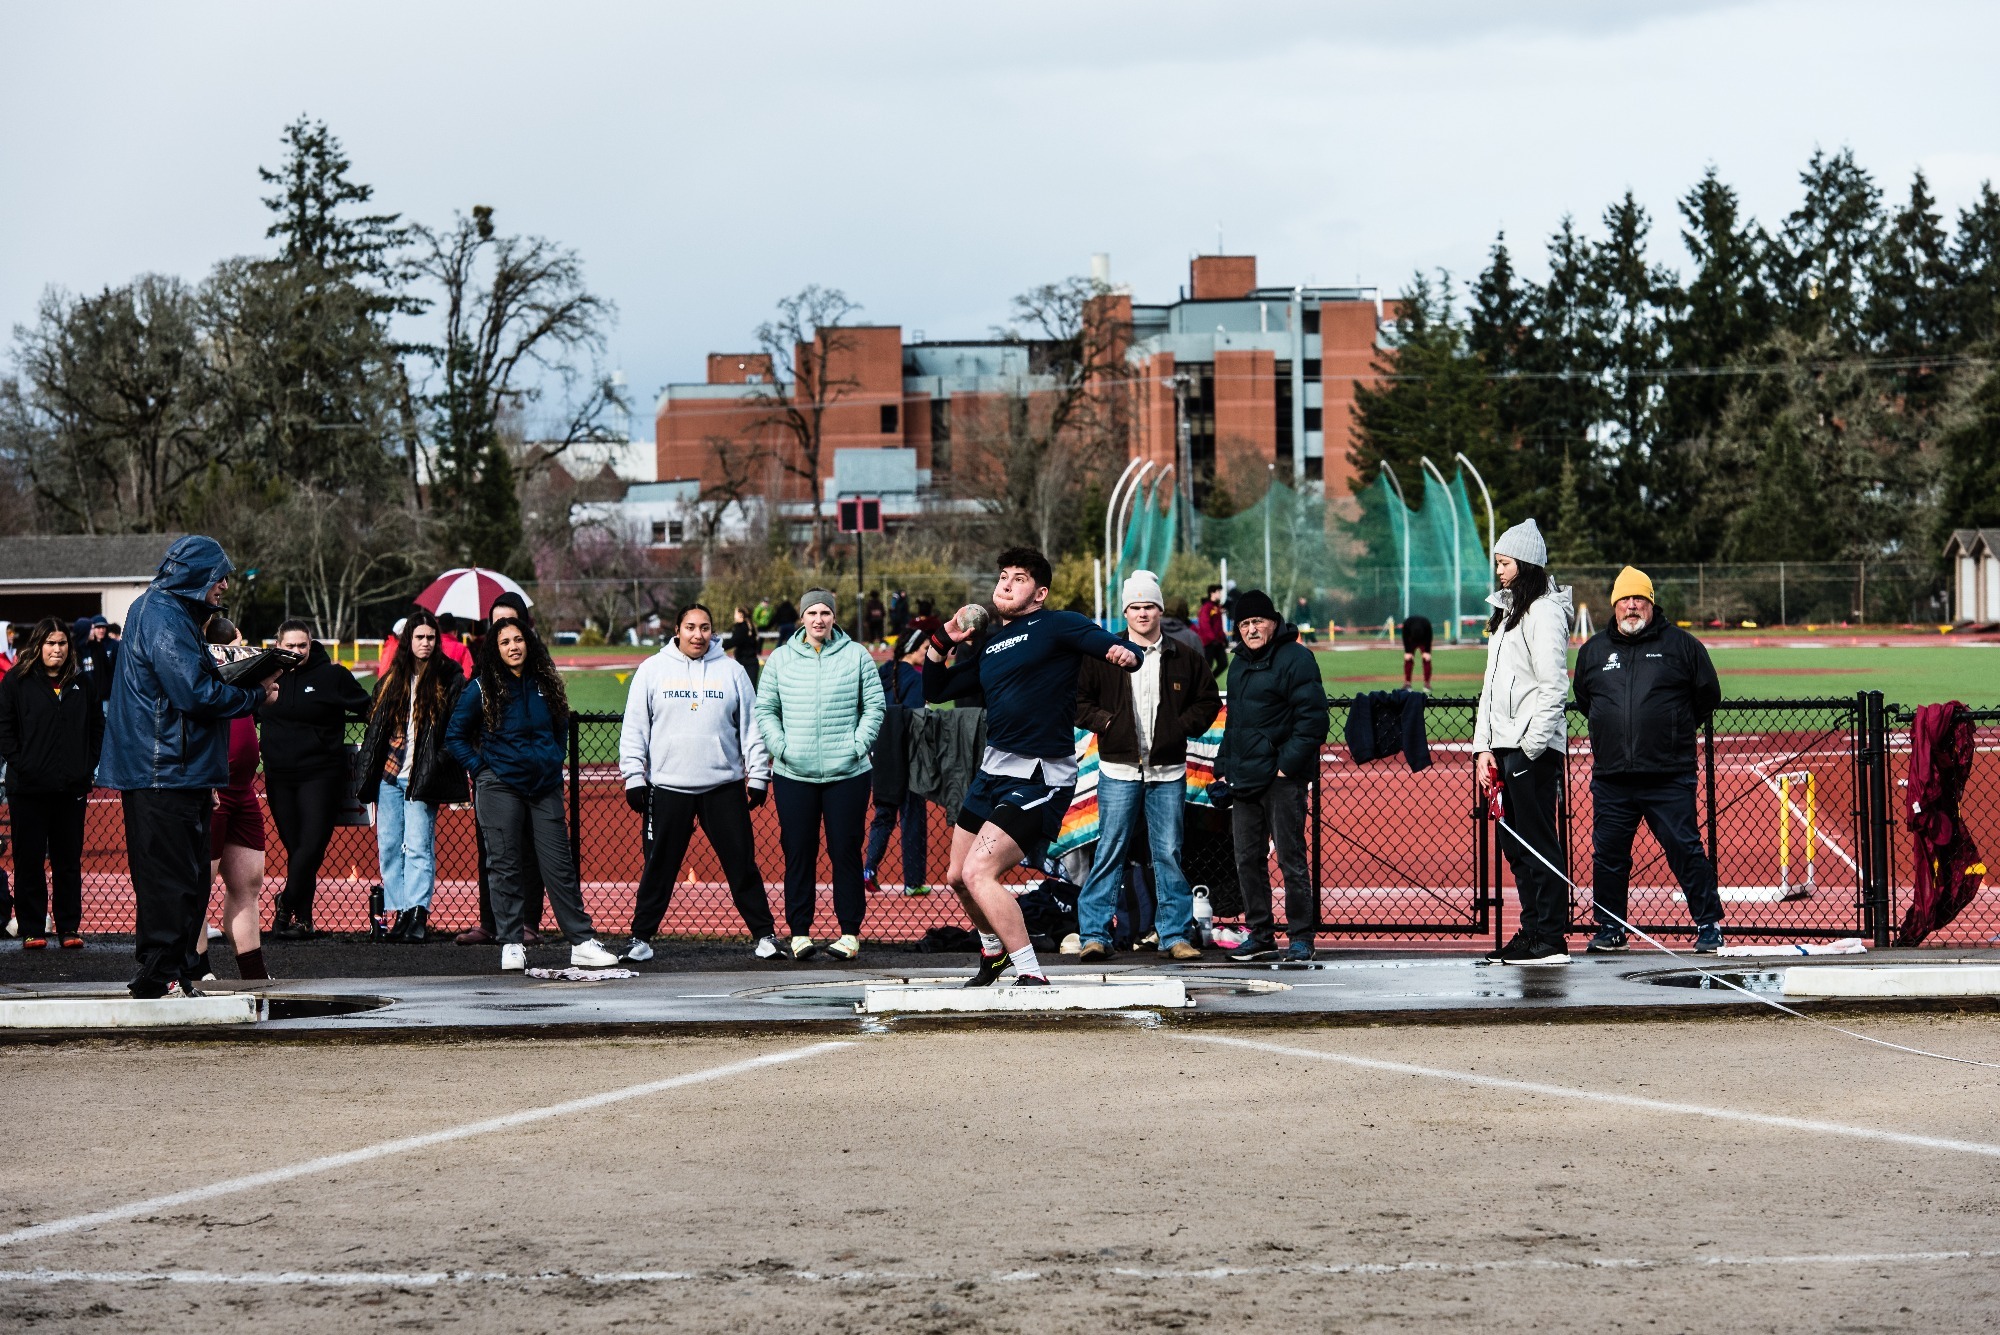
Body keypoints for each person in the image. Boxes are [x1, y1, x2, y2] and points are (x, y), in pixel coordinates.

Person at [926, 547, 1138, 986]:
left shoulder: (1057, 624)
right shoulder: (988, 648)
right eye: (1002, 575)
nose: (1005, 583)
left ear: (1039, 594)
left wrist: (1123, 652)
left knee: (978, 872)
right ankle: (993, 954)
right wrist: (943, 641)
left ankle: (1031, 972)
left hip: (1040, 774)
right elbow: (937, 689)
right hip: (993, 773)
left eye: (1018, 578)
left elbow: (1108, 643)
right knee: (957, 879)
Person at [101, 535, 277, 999]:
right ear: (195, 574)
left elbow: (186, 684)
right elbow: (193, 693)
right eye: (218, 575)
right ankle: (160, 977)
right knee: (172, 880)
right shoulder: (161, 613)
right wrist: (255, 693)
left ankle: (171, 973)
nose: (223, 585)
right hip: (164, 769)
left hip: (177, 768)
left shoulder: (166, 611)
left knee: (189, 878)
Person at [445, 618, 618, 972]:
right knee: (504, 865)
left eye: (518, 639)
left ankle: (582, 942)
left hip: (544, 787)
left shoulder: (545, 683)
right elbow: (455, 735)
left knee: (559, 865)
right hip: (499, 786)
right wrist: (481, 770)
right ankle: (511, 943)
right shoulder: (481, 688)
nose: (513, 646)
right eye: (505, 641)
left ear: (529, 643)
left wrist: (554, 759)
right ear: (495, 648)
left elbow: (560, 728)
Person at [1573, 566, 1725, 954]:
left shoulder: (1683, 646)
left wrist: (1672, 728)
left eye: (1639, 598)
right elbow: (1585, 700)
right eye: (1624, 599)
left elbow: (1707, 695)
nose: (1632, 605)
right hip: (1612, 777)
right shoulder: (1593, 651)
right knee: (1609, 856)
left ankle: (1709, 925)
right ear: (1614, 605)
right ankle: (1611, 928)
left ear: (1651, 603)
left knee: (1684, 849)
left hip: (1668, 774)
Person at [1075, 571, 1221, 962]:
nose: (1143, 613)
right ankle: (1093, 934)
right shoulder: (1102, 654)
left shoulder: (1185, 657)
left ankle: (1174, 935)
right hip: (1117, 770)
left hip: (1168, 772)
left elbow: (1208, 701)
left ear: (1160, 609)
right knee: (1109, 850)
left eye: (1149, 606)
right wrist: (1107, 723)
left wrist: (1179, 728)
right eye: (1135, 607)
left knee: (1168, 853)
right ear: (1126, 611)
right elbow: (1078, 701)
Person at [620, 604, 778, 960]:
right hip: (669, 786)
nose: (697, 635)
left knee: (741, 863)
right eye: (690, 627)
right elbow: (634, 728)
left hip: (723, 786)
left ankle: (765, 936)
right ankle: (640, 938)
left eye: (705, 627)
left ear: (713, 631)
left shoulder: (733, 672)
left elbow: (752, 729)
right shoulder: (652, 671)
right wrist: (633, 775)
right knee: (659, 867)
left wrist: (758, 775)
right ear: (677, 629)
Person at [754, 589, 884, 961]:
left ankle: (849, 935)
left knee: (845, 852)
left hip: (849, 774)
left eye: (825, 612)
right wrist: (782, 749)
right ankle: (799, 933)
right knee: (799, 852)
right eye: (811, 612)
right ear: (802, 617)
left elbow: (874, 706)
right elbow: (766, 708)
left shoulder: (856, 654)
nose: (819, 619)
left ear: (834, 616)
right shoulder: (780, 658)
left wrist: (857, 746)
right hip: (794, 774)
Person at [1472, 518, 1576, 966]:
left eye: (1505, 562)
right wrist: (1482, 749)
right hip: (1504, 749)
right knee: (1515, 847)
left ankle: (1550, 937)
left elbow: (1554, 686)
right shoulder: (1505, 616)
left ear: (1527, 564)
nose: (1499, 570)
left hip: (1531, 751)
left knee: (1538, 842)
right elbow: (1490, 689)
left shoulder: (1544, 612)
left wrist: (1531, 749)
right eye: (1497, 562)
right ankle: (1532, 929)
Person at [1216, 589, 1329, 962]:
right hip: (1245, 777)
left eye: (1257, 622)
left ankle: (1301, 937)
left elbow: (1313, 720)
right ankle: (1261, 933)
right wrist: (1222, 768)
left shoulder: (1297, 659)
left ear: (1273, 621)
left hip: (1282, 780)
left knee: (1291, 860)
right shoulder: (1238, 665)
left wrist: (1287, 767)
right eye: (1244, 624)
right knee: (1246, 859)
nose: (1251, 629)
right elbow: (1235, 723)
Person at [358, 609, 467, 944]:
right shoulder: (394, 677)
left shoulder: (449, 676)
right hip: (391, 774)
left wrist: (437, 762)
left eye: (430, 638)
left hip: (424, 775)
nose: (425, 643)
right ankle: (401, 911)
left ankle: (417, 913)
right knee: (390, 846)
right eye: (419, 637)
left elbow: (456, 726)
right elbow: (375, 717)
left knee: (419, 846)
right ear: (408, 641)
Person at [261, 619, 371, 939]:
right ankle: (303, 920)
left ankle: (286, 904)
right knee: (296, 849)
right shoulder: (265, 677)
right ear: (278, 646)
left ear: (311, 645)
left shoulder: (331, 676)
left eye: (302, 646)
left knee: (311, 846)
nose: (296, 651)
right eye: (289, 646)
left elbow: (367, 707)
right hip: (279, 774)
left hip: (320, 774)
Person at [0, 618, 103, 949]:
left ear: (69, 647)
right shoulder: (17, 681)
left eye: (62, 643)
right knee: (28, 860)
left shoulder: (81, 683)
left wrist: (85, 766)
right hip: (27, 788)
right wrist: (23, 763)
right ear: (38, 645)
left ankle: (69, 927)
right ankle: (32, 928)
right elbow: (5, 727)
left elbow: (96, 728)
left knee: (67, 861)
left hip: (69, 788)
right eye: (50, 643)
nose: (56, 649)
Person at [456, 594, 546, 944]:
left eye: (510, 621)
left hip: (530, 772)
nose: (503, 628)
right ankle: (490, 922)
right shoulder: (483, 663)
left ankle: (527, 923)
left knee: (527, 846)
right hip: (492, 770)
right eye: (496, 622)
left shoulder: (537, 662)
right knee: (491, 847)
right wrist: (479, 767)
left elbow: (553, 716)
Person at [193, 616, 269, 981]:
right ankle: (199, 971)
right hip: (214, 788)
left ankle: (253, 974)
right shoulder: (204, 670)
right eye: (241, 640)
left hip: (242, 789)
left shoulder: (239, 675)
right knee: (198, 885)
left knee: (248, 883)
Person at [863, 630, 930, 896]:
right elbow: (916, 718)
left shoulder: (884, 672)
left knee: (884, 813)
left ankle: (868, 868)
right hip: (908, 752)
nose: (927, 653)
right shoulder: (915, 678)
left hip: (882, 751)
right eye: (924, 648)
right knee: (913, 813)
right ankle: (913, 881)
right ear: (913, 649)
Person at [723, 605, 762, 686]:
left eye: (735, 613)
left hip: (744, 663)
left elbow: (733, 641)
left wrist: (718, 647)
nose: (734, 616)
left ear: (741, 615)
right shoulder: (751, 626)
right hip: (752, 662)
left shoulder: (741, 628)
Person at [1197, 584, 1229, 678]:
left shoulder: (1216, 607)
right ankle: (1202, 687)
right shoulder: (1207, 607)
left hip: (1217, 642)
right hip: (1208, 642)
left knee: (1223, 663)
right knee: (1207, 666)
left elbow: (1218, 626)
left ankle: (1210, 682)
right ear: (1212, 593)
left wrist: (1223, 638)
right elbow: (1204, 624)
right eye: (1218, 592)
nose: (1220, 594)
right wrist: (1212, 638)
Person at [1401, 613, 1434, 691]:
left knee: (1427, 660)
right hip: (1411, 641)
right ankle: (1407, 684)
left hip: (1424, 641)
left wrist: (1427, 651)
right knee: (1408, 660)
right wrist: (1407, 651)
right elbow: (1405, 637)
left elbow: (1429, 637)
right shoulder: (1407, 624)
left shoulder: (1426, 624)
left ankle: (1427, 684)